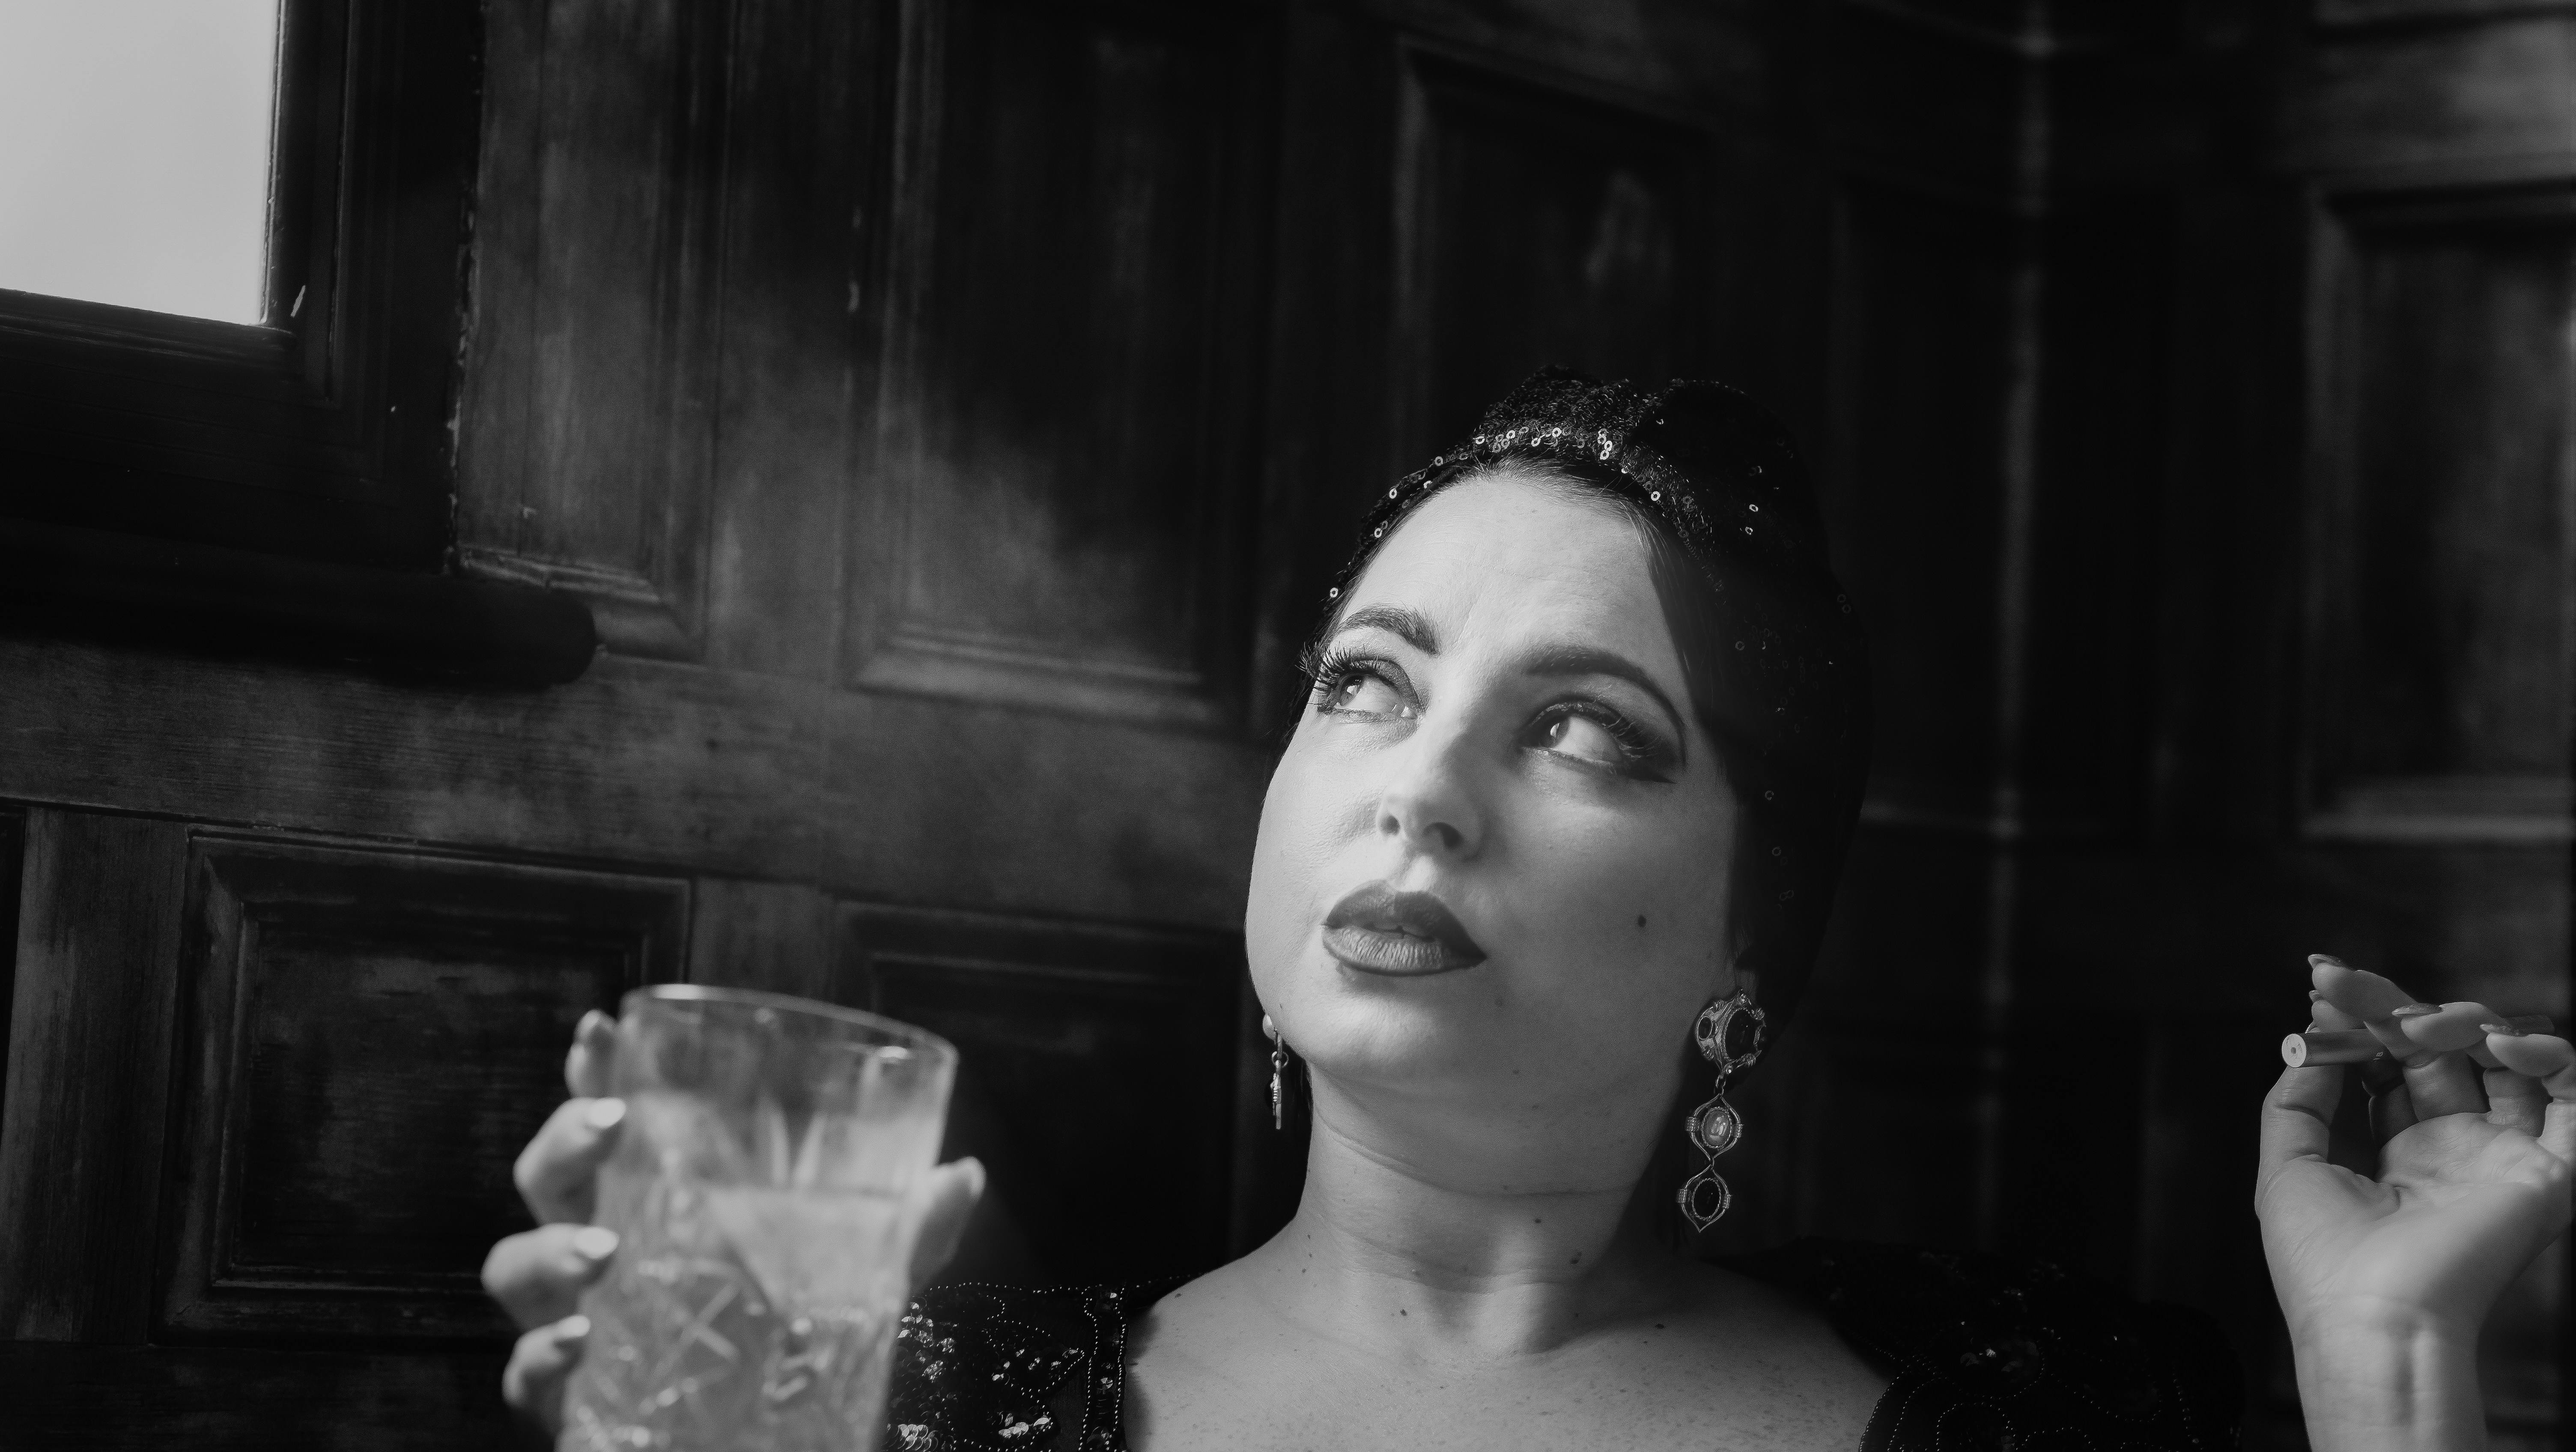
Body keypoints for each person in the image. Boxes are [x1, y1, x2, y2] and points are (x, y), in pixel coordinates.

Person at [484, 370, 2575, 1451]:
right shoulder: (903, 1407)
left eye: (1579, 728)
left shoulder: (2031, 1417)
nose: (1422, 782)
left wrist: (2391, 1362)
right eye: (1369, 681)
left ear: (1751, 932)